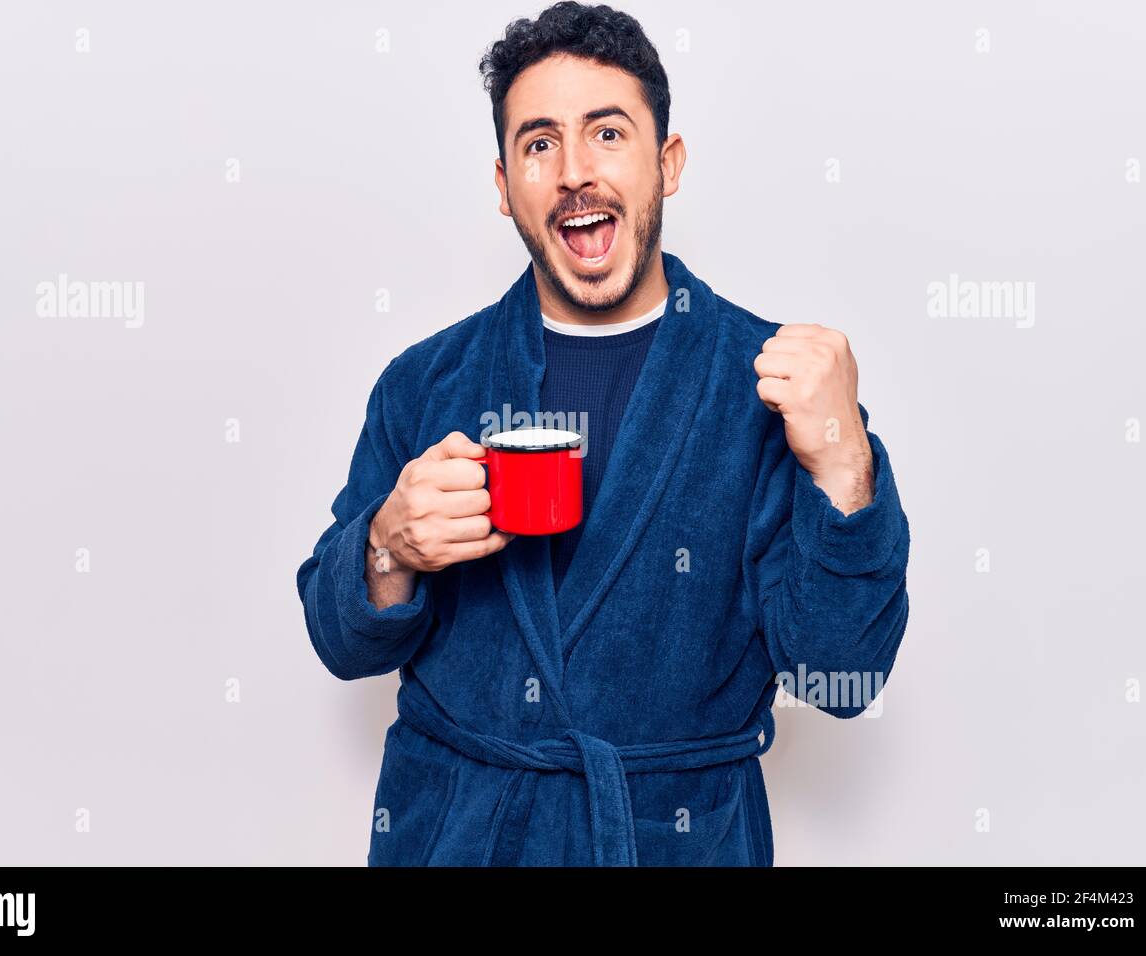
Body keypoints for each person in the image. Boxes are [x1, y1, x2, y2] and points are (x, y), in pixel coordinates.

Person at [296, 1, 911, 866]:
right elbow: (341, 643)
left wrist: (844, 459)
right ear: (506, 185)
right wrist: (387, 548)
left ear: (668, 163)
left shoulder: (768, 387)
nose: (576, 170)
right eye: (540, 143)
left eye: (609, 133)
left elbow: (840, 676)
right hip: (458, 837)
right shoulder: (427, 381)